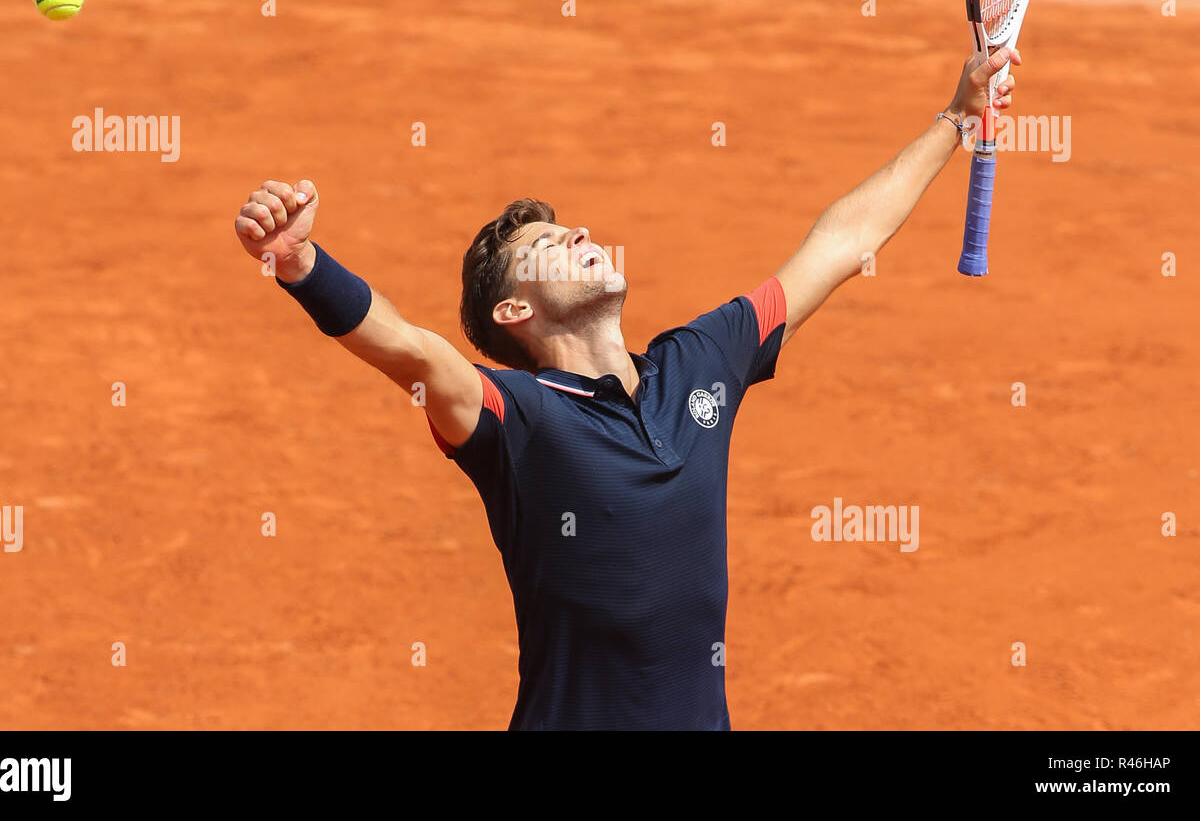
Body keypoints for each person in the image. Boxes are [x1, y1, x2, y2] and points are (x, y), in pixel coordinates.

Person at [233, 48, 1020, 730]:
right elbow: (406, 349)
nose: (578, 234)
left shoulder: (701, 362)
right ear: (515, 310)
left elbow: (843, 242)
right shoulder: (517, 419)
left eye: (569, 227)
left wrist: (955, 117)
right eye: (545, 245)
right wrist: (301, 266)